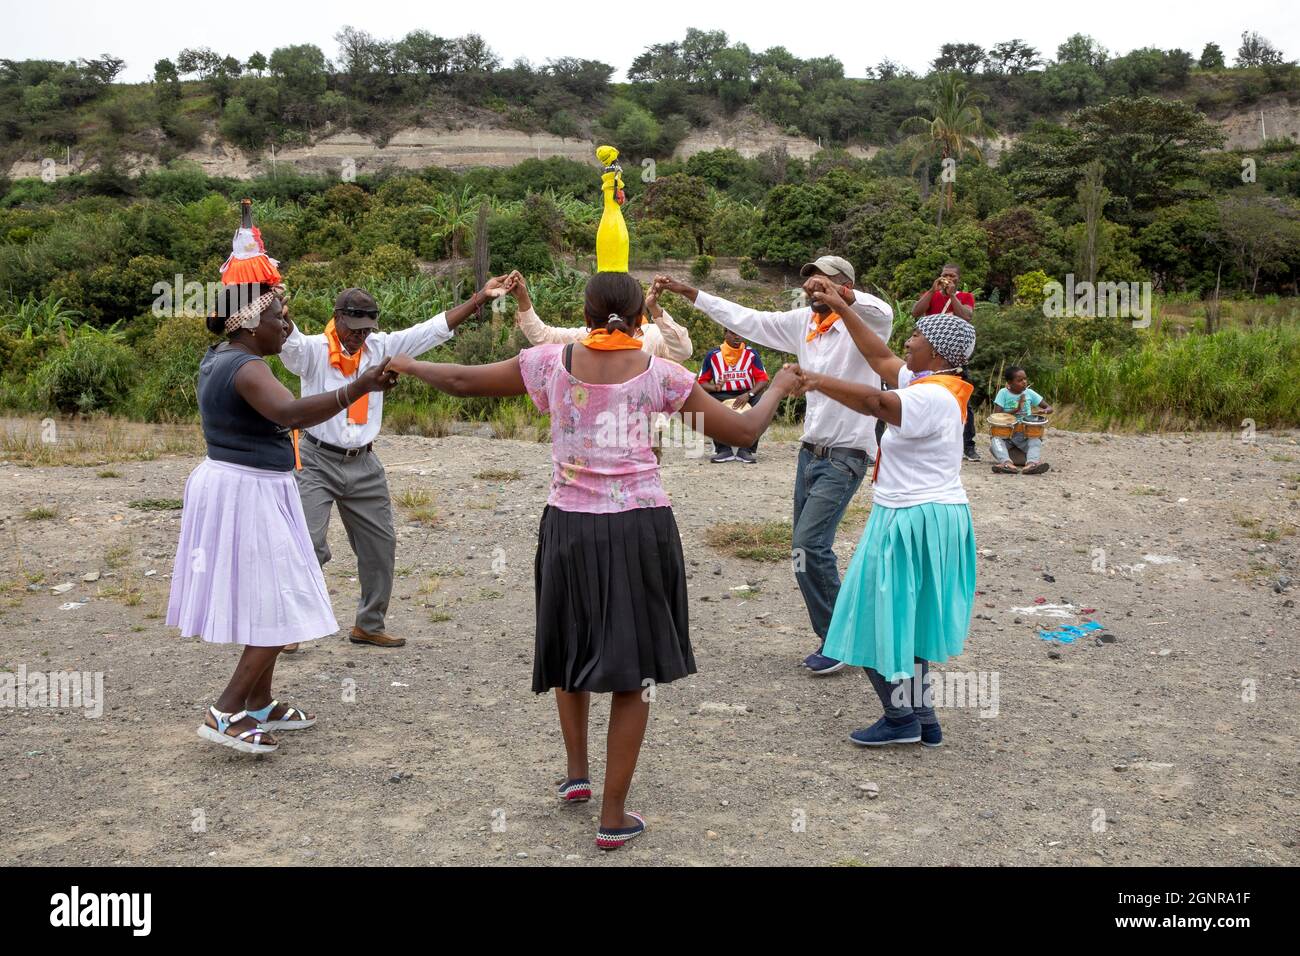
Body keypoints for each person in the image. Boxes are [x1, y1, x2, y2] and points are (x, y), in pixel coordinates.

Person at [387, 271, 799, 850]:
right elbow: (745, 430)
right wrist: (778, 384)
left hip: (569, 529)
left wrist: (405, 363)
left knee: (569, 648)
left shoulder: (548, 363)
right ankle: (612, 815)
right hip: (639, 528)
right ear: (638, 319)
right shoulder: (663, 375)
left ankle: (577, 776)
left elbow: (459, 379)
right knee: (636, 672)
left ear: (585, 313)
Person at [167, 283, 398, 754]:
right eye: (279, 316)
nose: (287, 324)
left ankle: (260, 702)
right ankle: (226, 710)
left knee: (269, 596)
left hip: (248, 484)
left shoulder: (222, 356)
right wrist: (359, 386)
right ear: (250, 324)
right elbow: (290, 412)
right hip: (248, 490)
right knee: (280, 599)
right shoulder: (246, 367)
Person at [654, 255, 894, 676]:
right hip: (810, 453)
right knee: (802, 549)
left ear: (844, 284)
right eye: (809, 282)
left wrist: (842, 298)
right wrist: (690, 293)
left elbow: (880, 308)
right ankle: (840, 635)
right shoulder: (803, 323)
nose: (811, 288)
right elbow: (746, 318)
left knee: (809, 545)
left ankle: (842, 638)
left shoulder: (868, 321)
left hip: (847, 455)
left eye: (821, 281)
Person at [278, 279, 508, 651]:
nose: (359, 338)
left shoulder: (381, 347)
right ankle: (288, 628)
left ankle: (369, 624)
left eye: (366, 330)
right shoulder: (313, 350)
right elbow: (288, 343)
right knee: (309, 544)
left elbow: (433, 329)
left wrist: (479, 298)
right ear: (336, 319)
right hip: (316, 459)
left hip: (364, 463)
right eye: (353, 330)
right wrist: (282, 320)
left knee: (380, 547)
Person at [795, 280, 977, 747]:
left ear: (934, 350)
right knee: (909, 622)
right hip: (934, 513)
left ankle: (900, 720)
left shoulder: (929, 397)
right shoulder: (933, 384)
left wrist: (816, 380)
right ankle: (922, 717)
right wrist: (839, 304)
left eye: (915, 337)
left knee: (869, 615)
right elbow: (877, 357)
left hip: (910, 517)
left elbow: (876, 402)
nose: (907, 343)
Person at [508, 269, 693, 360]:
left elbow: (542, 337)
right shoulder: (585, 336)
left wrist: (523, 300)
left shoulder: (652, 334)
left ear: (588, 314)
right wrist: (654, 308)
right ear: (638, 312)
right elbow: (683, 351)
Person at [913, 262, 979, 462]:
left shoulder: (965, 297)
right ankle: (926, 441)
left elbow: (966, 316)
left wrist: (951, 296)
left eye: (952, 275)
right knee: (923, 395)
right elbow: (916, 312)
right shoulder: (931, 295)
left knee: (962, 399)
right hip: (928, 353)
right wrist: (933, 292)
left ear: (958, 279)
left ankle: (968, 446)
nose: (948, 278)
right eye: (944, 274)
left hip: (952, 354)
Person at [698, 328, 769, 463]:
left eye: (740, 333)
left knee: (762, 404)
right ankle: (723, 450)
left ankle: (746, 450)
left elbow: (763, 379)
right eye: (733, 333)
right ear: (725, 334)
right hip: (722, 394)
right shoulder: (713, 355)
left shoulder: (751, 354)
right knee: (708, 404)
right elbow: (701, 382)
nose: (737, 337)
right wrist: (715, 387)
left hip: (746, 393)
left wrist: (749, 394)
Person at [991, 366, 1054, 475]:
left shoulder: (1029, 393)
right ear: (1010, 382)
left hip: (1024, 435)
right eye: (1020, 380)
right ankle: (1007, 463)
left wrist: (1043, 411)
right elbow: (997, 415)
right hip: (1007, 436)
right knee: (995, 441)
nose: (1024, 382)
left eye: (1025, 379)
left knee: (1035, 441)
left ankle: (1031, 465)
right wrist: (1016, 409)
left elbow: (1049, 408)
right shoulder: (1003, 393)